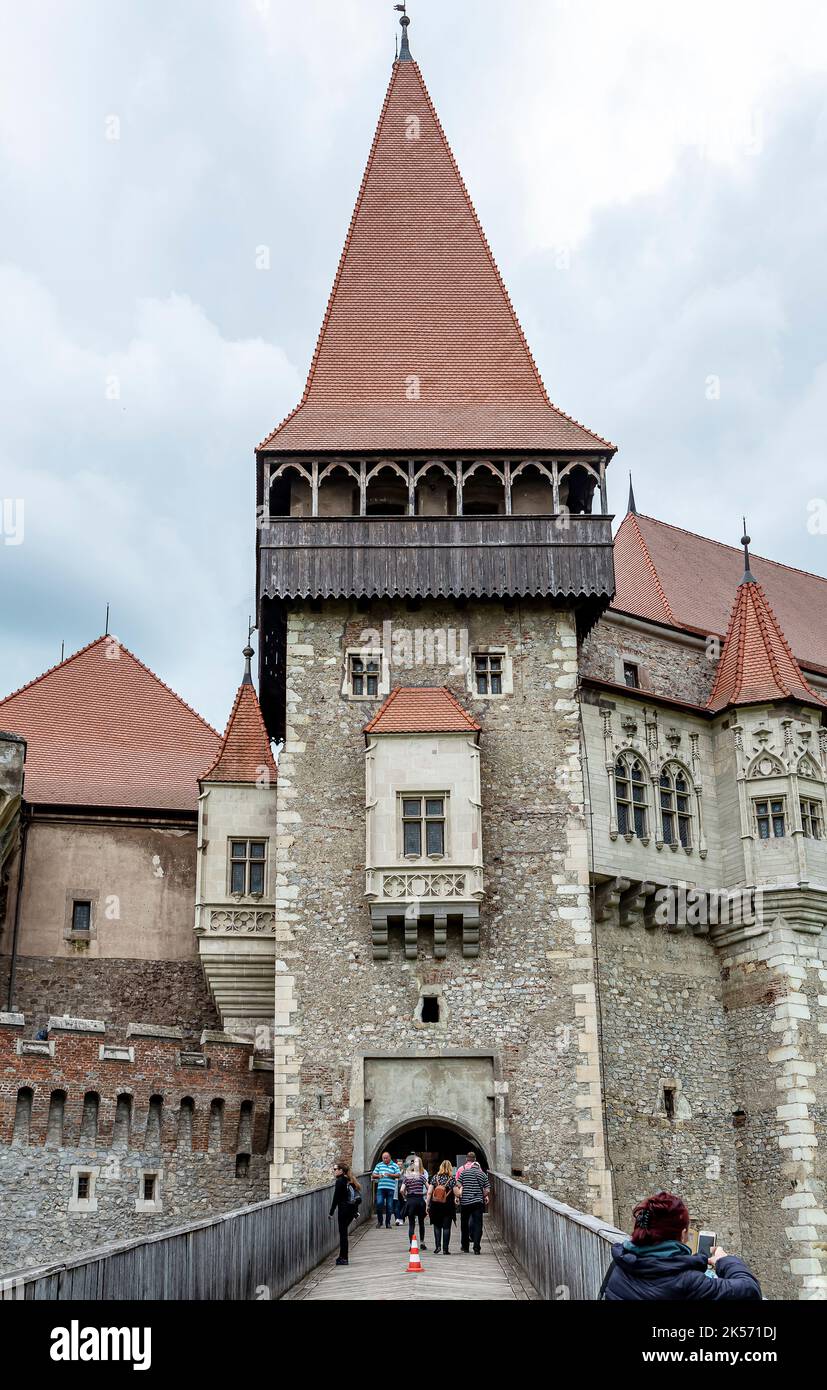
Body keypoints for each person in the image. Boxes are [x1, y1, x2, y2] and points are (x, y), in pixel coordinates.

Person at [600, 1191, 762, 1300]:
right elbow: (750, 1290)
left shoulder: (621, 1262)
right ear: (683, 1233)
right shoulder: (687, 1281)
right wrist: (723, 1260)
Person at [455, 1151, 489, 1255]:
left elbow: (458, 1184)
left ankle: (465, 1246)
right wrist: (484, 1196)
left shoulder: (464, 1173)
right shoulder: (482, 1174)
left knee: (464, 1225)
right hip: (478, 1202)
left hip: (465, 1202)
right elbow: (487, 1189)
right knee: (478, 1224)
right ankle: (476, 1248)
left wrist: (458, 1195)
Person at [329, 1161, 361, 1267]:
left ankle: (344, 1258)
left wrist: (331, 1212)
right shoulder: (349, 1180)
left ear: (341, 1171)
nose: (334, 1171)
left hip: (343, 1210)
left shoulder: (340, 1181)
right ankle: (342, 1256)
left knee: (343, 1235)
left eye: (335, 1169)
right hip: (351, 1211)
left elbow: (336, 1198)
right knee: (344, 1233)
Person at [427, 1160, 457, 1254]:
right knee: (446, 1228)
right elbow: (456, 1193)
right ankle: (445, 1249)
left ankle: (437, 1247)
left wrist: (427, 1205)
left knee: (437, 1227)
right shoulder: (451, 1179)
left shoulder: (435, 1178)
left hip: (435, 1206)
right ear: (450, 1168)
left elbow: (429, 1192)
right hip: (447, 1206)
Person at [401, 1157, 429, 1250]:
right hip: (420, 1201)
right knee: (421, 1223)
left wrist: (405, 1196)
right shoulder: (422, 1176)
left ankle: (411, 1245)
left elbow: (401, 1190)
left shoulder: (407, 1177)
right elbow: (429, 1188)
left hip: (410, 1201)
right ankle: (422, 1242)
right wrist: (423, 1193)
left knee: (411, 1224)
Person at [372, 1151, 401, 1229]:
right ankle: (380, 1221)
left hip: (390, 1189)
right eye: (383, 1158)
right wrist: (379, 1176)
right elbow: (373, 1175)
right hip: (381, 1188)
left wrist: (390, 1175)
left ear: (390, 1157)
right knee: (379, 1203)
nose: (384, 1159)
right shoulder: (379, 1165)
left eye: (386, 1158)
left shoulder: (394, 1165)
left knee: (389, 1206)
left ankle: (388, 1223)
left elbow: (398, 1175)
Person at [393, 1158, 406, 1226]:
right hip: (396, 1191)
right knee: (396, 1205)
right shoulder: (394, 1172)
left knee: (403, 1205)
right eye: (398, 1164)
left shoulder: (405, 1173)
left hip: (403, 1192)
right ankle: (397, 1219)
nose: (399, 1165)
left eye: (401, 1164)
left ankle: (401, 1218)